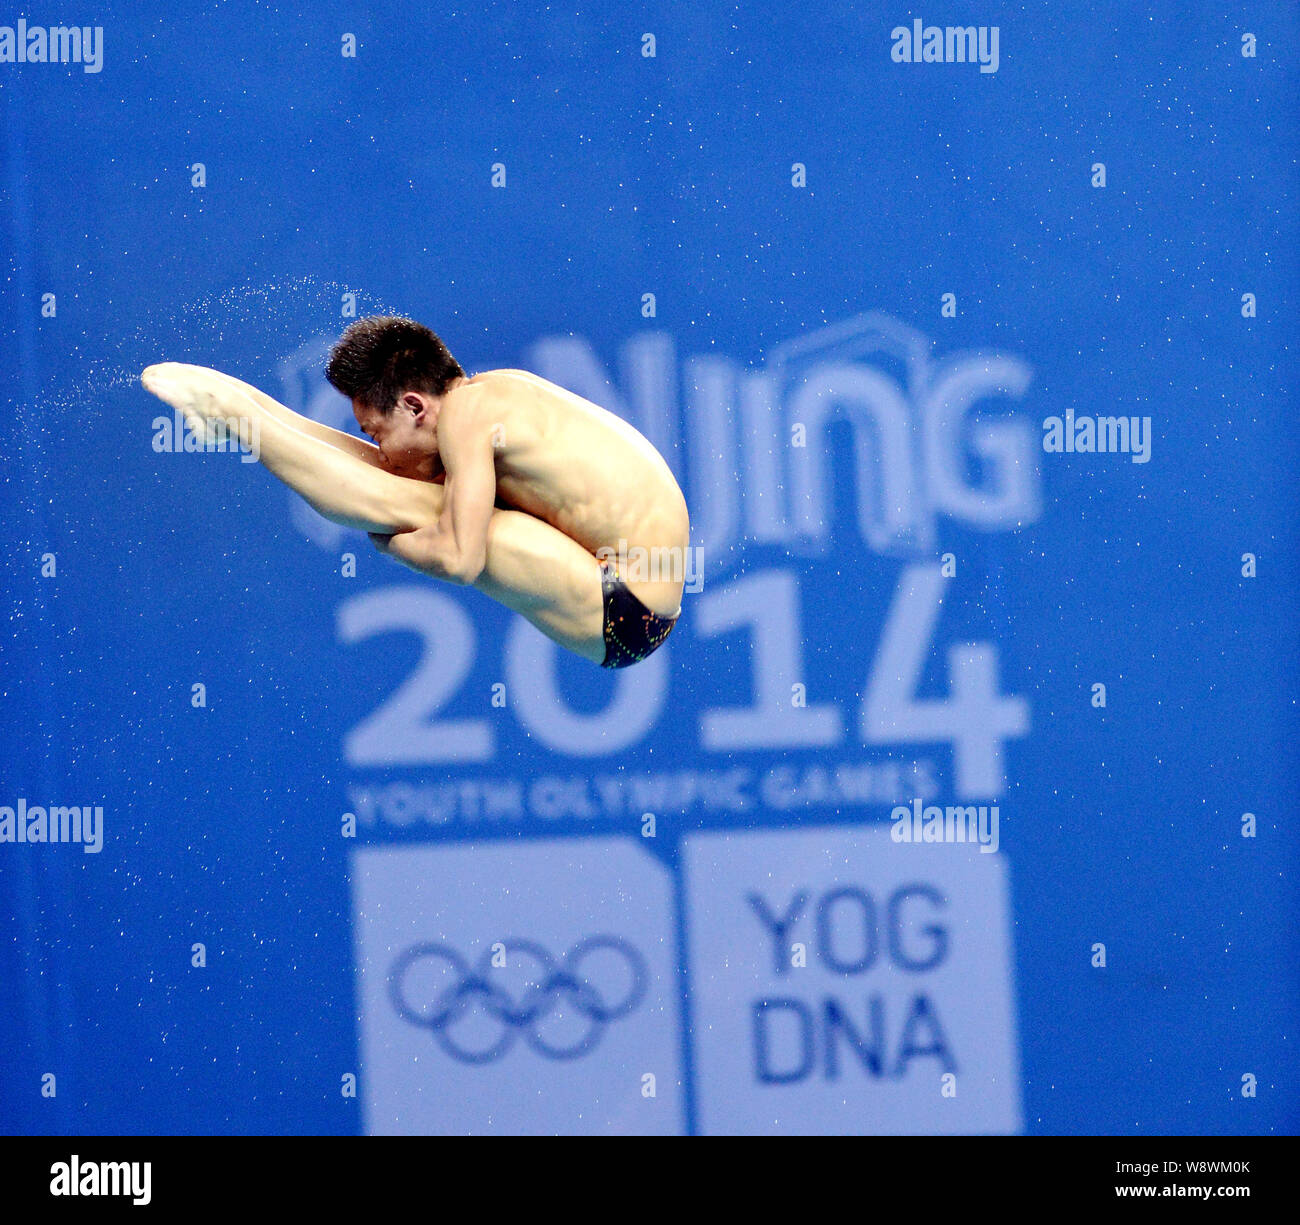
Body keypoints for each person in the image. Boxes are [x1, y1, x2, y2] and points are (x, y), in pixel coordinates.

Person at [141, 316, 689, 667]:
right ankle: (246, 409)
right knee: (410, 494)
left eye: (376, 433)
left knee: (405, 507)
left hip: (625, 609)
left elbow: (458, 558)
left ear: (414, 405)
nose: (380, 450)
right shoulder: (494, 395)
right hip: (626, 594)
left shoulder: (471, 416)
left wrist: (393, 545)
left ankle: (239, 421)